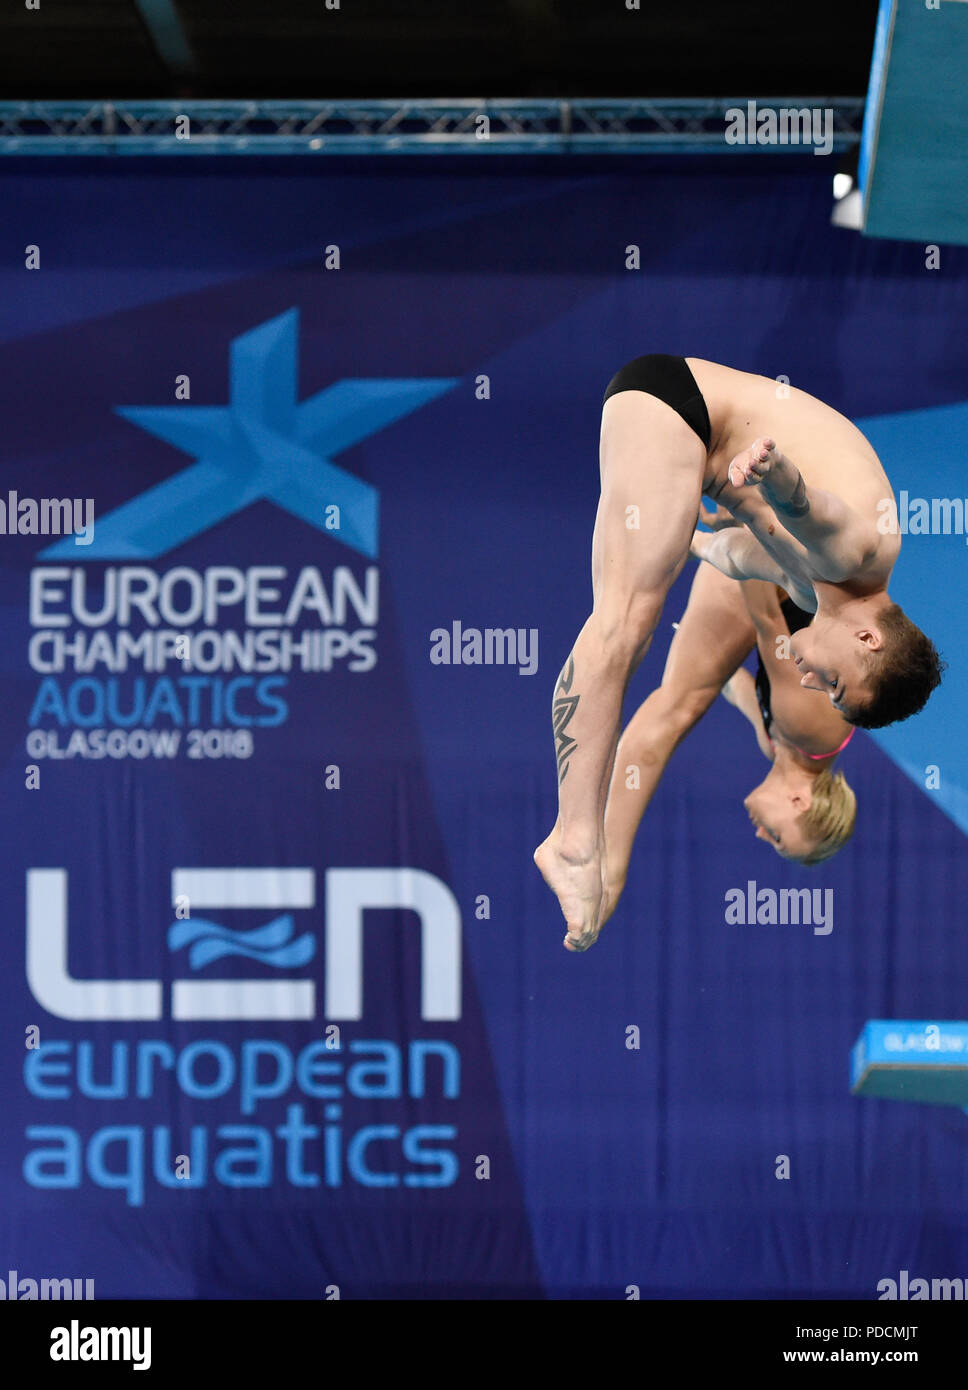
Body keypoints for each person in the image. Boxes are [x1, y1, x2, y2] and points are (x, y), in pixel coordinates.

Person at [534, 356, 940, 953]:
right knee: (624, 627)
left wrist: (691, 535)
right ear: (868, 640)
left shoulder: (811, 589)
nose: (814, 682)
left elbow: (737, 559)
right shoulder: (860, 558)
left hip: (683, 425)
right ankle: (575, 841)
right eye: (836, 686)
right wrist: (778, 478)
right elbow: (815, 513)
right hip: (681, 409)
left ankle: (585, 844)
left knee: (628, 626)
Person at [602, 559, 857, 927]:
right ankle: (611, 869)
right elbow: (768, 620)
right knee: (676, 709)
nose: (760, 833)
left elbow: (736, 687)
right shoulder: (813, 728)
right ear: (800, 802)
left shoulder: (780, 747)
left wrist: (700, 658)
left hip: (785, 581)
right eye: (778, 837)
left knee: (687, 696)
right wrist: (739, 534)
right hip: (782, 570)